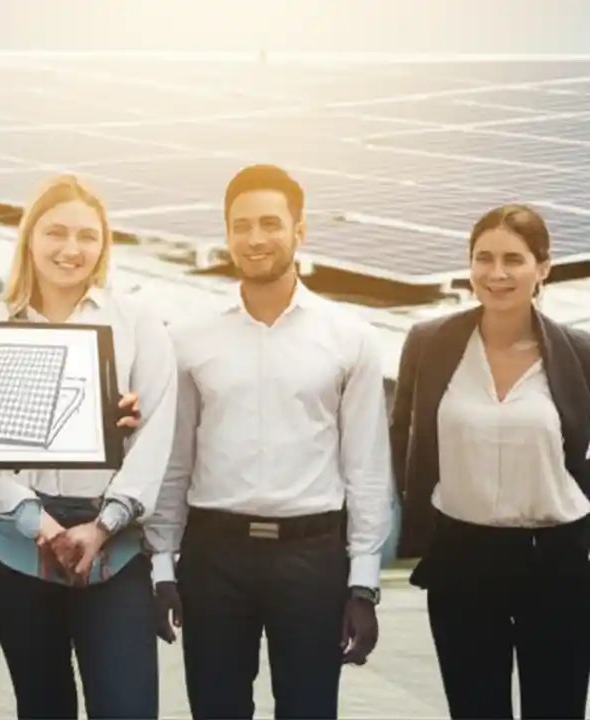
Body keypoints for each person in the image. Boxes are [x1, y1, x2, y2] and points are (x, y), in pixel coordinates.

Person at [153, 164, 392, 720]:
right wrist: (162, 564)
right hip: (215, 555)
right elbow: (174, 460)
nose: (255, 238)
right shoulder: (188, 338)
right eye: (241, 225)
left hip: (311, 557)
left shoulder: (350, 337)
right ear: (226, 231)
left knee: (309, 710)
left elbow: (367, 466)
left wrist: (364, 583)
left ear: (299, 230)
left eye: (270, 223)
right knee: (216, 709)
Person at [0, 174, 178, 719]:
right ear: (29, 238)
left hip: (114, 543)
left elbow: (158, 433)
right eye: (56, 232)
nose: (71, 249)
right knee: (43, 708)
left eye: (88, 236)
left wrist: (104, 522)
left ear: (104, 244)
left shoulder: (135, 322)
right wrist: (38, 521)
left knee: (126, 708)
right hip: (17, 546)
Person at [393, 205, 590, 719]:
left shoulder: (579, 353)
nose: (496, 274)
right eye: (484, 258)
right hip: (463, 557)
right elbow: (401, 436)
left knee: (557, 710)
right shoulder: (429, 344)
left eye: (513, 260)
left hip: (557, 561)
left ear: (543, 268)